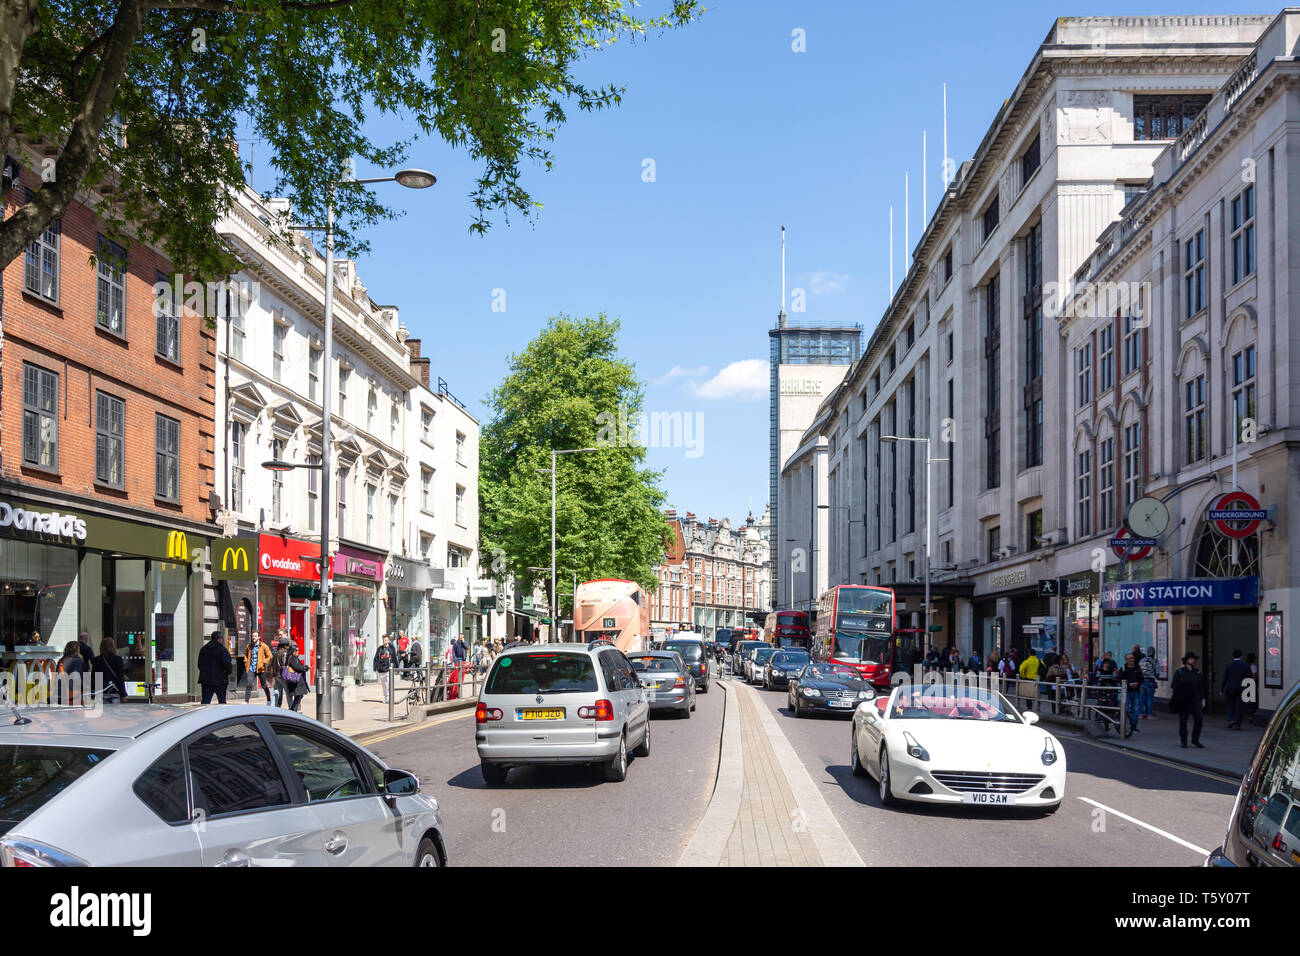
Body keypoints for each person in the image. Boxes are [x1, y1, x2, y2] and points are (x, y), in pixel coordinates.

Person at [1170, 652, 1205, 749]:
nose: (1193, 661)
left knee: (1199, 719)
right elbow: (1173, 685)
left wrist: (1203, 698)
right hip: (1183, 700)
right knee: (1183, 722)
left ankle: (1195, 739)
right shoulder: (1179, 672)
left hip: (1195, 700)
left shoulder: (1197, 672)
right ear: (1186, 661)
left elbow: (1200, 687)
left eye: (1194, 659)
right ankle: (1184, 741)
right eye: (1191, 659)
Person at [197, 630, 232, 704]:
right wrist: (228, 672)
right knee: (222, 701)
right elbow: (227, 663)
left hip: (206, 680)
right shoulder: (222, 650)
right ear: (219, 639)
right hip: (220, 680)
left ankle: (203, 715)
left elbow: (199, 664)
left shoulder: (203, 649)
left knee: (205, 701)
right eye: (222, 639)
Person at [1221, 649, 1252, 730]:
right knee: (1240, 706)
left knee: (1229, 704)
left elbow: (1225, 678)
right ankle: (1237, 724)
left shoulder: (1229, 665)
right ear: (1241, 656)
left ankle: (1231, 719)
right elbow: (1250, 678)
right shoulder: (1246, 665)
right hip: (1242, 688)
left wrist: (1221, 689)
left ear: (1232, 656)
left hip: (1230, 688)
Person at [91, 638, 128, 703]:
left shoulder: (96, 660)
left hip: (101, 692)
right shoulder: (117, 659)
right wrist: (123, 694)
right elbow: (120, 678)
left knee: (103, 712)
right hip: (114, 690)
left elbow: (94, 677)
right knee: (114, 712)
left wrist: (93, 692)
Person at [243, 631, 273, 704]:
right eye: (253, 636)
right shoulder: (249, 646)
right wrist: (246, 662)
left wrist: (264, 662)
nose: (253, 637)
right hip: (251, 668)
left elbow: (270, 656)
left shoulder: (263, 646)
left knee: (264, 685)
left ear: (259, 637)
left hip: (261, 669)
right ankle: (246, 701)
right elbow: (245, 655)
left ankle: (269, 700)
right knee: (249, 684)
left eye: (255, 636)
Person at [282, 641, 310, 713]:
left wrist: (303, 668)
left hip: (297, 682)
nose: (298, 652)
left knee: (299, 696)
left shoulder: (294, 657)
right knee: (298, 696)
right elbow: (298, 668)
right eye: (296, 650)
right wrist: (305, 668)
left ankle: (293, 710)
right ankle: (293, 711)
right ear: (292, 651)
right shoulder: (292, 658)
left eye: (298, 650)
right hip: (296, 682)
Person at [1120, 652, 1144, 737]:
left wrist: (1137, 683)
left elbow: (1142, 679)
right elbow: (1120, 679)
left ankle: (1134, 726)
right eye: (1130, 658)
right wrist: (1128, 683)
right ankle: (1122, 725)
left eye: (1132, 658)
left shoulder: (1138, 668)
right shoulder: (1123, 668)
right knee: (1125, 710)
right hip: (1126, 692)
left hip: (1136, 692)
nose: (1132, 660)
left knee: (1136, 710)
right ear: (1126, 660)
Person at [57, 641, 88, 705]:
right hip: (75, 696)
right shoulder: (79, 661)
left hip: (61, 694)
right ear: (77, 650)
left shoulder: (61, 661)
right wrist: (86, 688)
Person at [373, 633, 400, 704]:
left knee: (388, 685)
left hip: (388, 669)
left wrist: (397, 668)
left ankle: (389, 698)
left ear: (388, 640)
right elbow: (376, 658)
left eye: (386, 640)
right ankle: (385, 698)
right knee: (384, 686)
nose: (385, 641)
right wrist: (375, 668)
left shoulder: (391, 648)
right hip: (381, 670)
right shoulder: (380, 648)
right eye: (384, 640)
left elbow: (394, 657)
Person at [1138, 645, 1157, 720]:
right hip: (1150, 682)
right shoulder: (1154, 661)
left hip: (1142, 682)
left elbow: (1139, 670)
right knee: (1150, 699)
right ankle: (1149, 715)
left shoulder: (1142, 660)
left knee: (1141, 698)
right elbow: (1157, 672)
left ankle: (1140, 714)